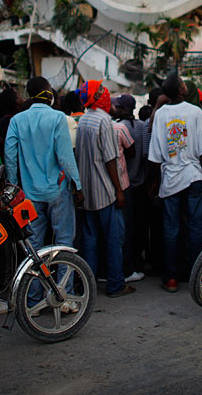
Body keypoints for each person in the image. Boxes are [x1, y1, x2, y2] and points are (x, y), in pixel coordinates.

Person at [4, 77, 83, 311]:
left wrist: (14, 185)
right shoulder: (58, 117)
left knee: (34, 248)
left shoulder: (17, 120)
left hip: (29, 193)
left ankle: (33, 299)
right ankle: (63, 296)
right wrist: (77, 184)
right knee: (63, 243)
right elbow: (65, 156)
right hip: (57, 190)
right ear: (48, 93)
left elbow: (10, 156)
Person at [148, 74, 202, 293]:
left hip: (170, 178)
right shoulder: (195, 112)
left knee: (171, 228)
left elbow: (155, 155)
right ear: (181, 89)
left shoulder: (160, 115)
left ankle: (171, 278)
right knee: (196, 227)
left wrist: (155, 182)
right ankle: (198, 274)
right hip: (193, 175)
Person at [75, 80, 134, 298]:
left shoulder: (83, 121)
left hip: (88, 192)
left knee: (90, 241)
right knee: (113, 240)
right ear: (97, 97)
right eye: (101, 91)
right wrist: (119, 191)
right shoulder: (104, 121)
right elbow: (111, 159)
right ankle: (115, 285)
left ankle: (88, 286)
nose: (105, 93)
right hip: (105, 191)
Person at [113, 94, 147, 282]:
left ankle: (128, 264)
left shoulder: (119, 127)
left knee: (126, 228)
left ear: (124, 109)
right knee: (139, 226)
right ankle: (137, 261)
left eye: (117, 106)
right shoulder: (142, 126)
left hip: (126, 185)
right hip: (140, 182)